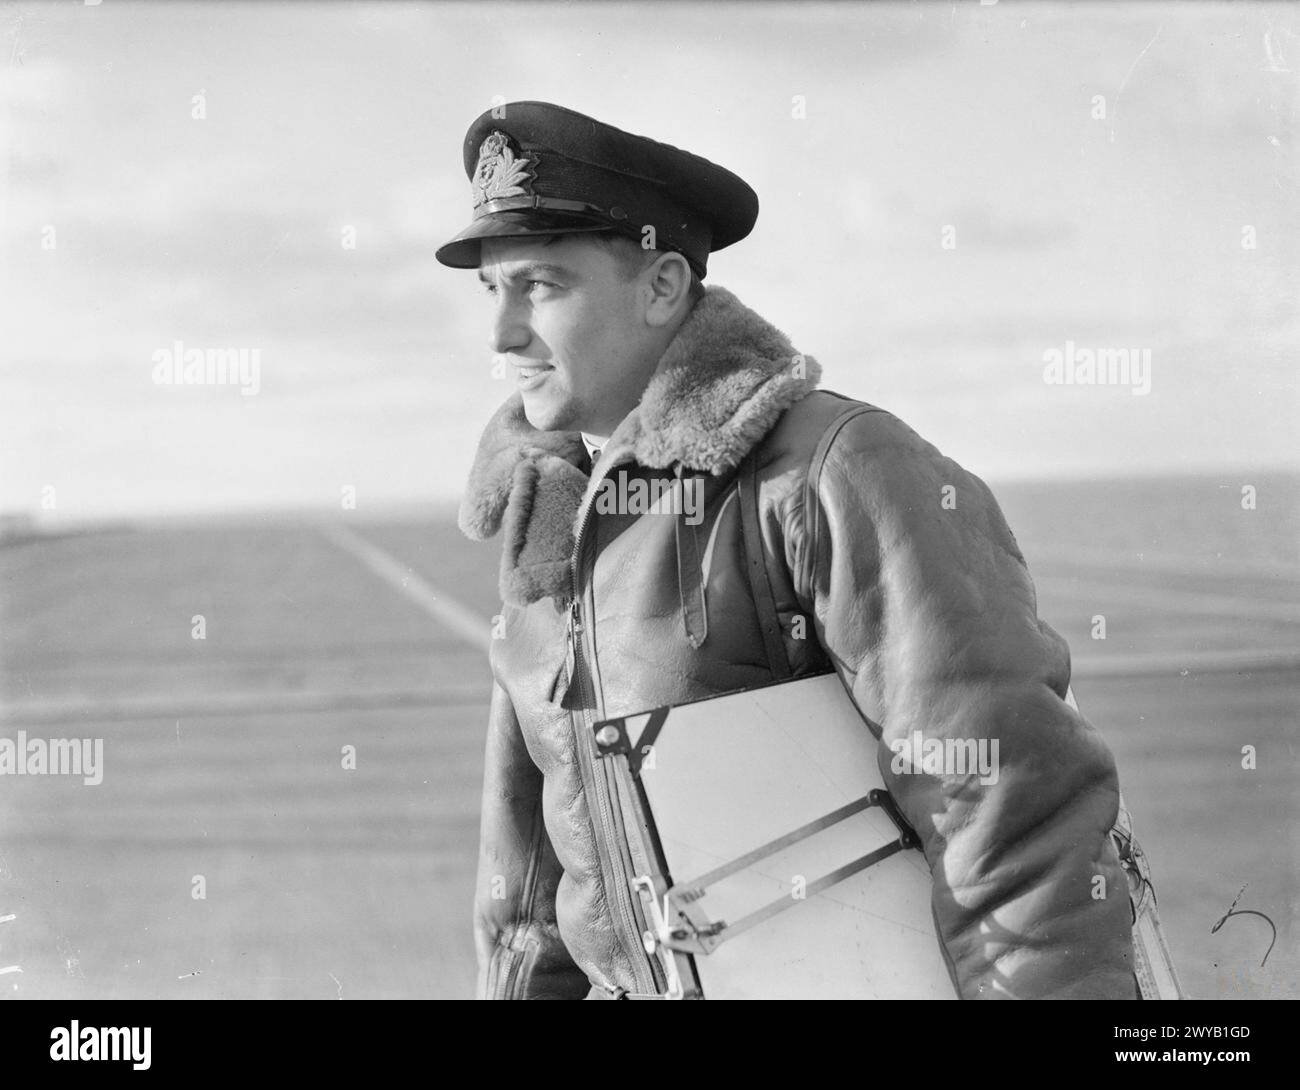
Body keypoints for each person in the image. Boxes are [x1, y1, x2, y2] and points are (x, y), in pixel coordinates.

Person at [437, 101, 1137, 999]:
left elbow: (1007, 811)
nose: (500, 334)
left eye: (539, 285)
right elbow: (531, 901)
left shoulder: (832, 470)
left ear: (661, 286)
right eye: (490, 292)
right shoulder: (546, 507)